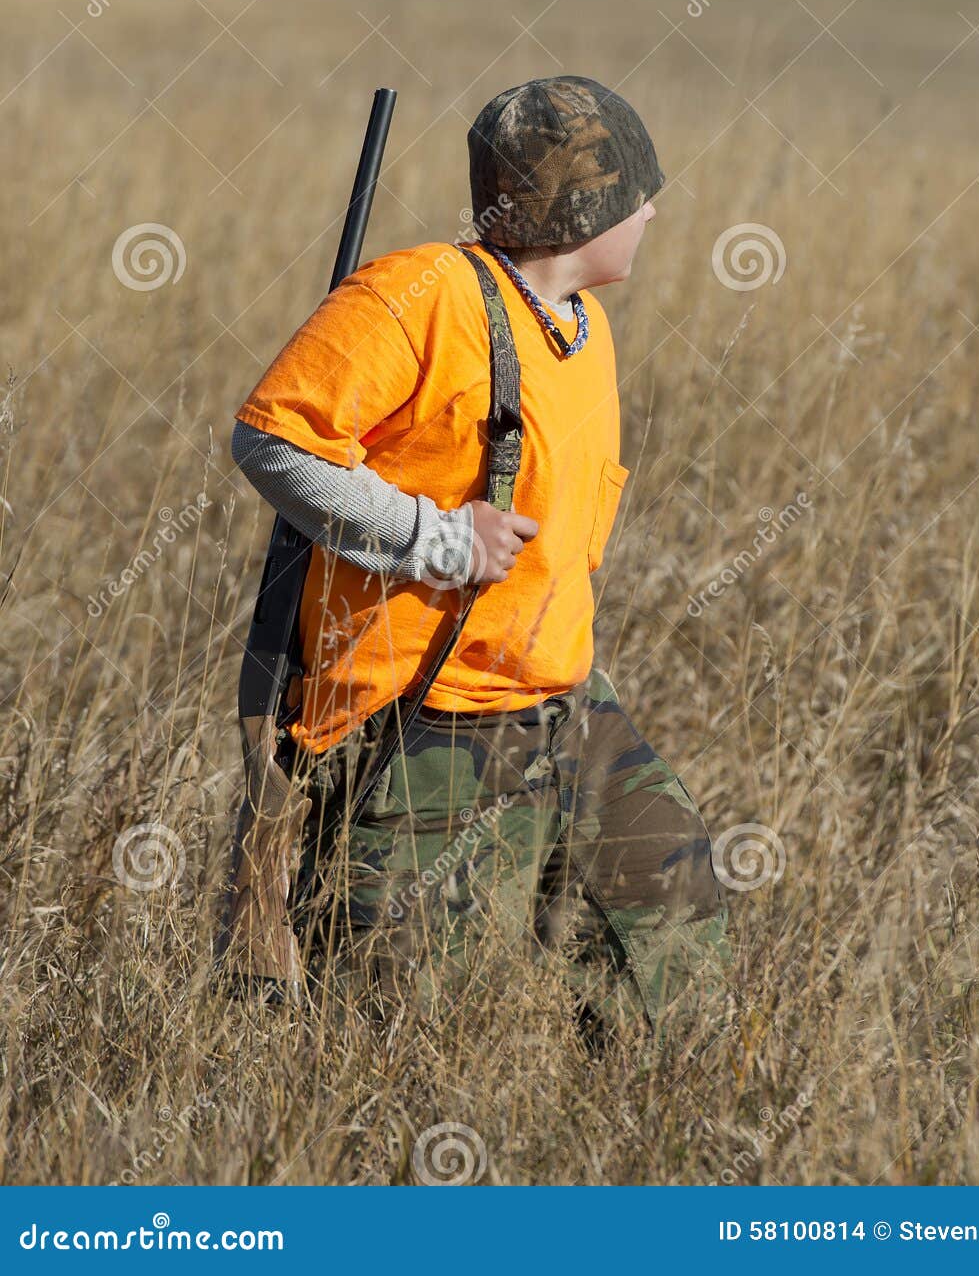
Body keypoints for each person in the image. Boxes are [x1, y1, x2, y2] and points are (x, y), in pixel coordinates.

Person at [231, 75, 729, 1039]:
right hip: (423, 726)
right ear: (580, 210)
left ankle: (638, 1166)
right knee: (404, 1034)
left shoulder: (583, 327)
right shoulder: (420, 294)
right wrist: (437, 537)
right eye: (635, 193)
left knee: (678, 937)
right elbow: (275, 442)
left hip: (564, 705)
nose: (654, 210)